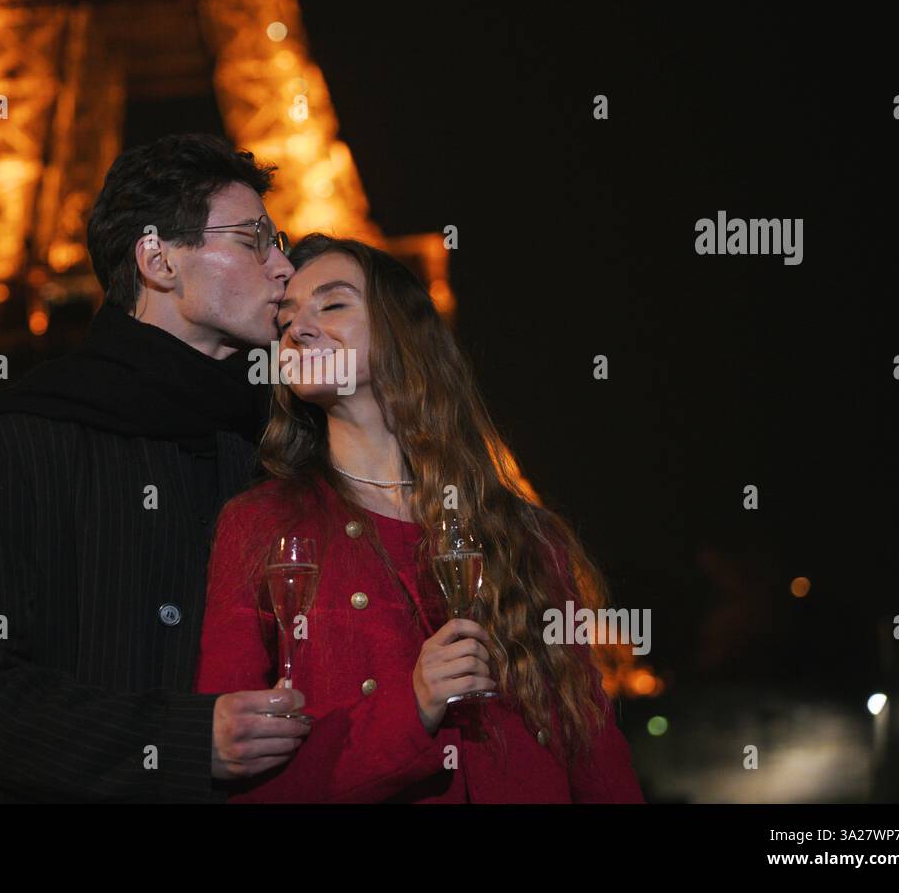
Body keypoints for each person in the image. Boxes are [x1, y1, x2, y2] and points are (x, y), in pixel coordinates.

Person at [0, 133, 312, 801]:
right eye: (254, 240)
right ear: (158, 260)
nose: (283, 267)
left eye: (281, 242)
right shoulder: (10, 443)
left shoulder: (273, 448)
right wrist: (181, 742)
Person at [195, 233, 646, 802]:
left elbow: (593, 750)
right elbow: (236, 767)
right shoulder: (259, 526)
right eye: (285, 319)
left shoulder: (527, 536)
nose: (298, 329)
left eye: (332, 304)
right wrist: (412, 706)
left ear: (402, 331)